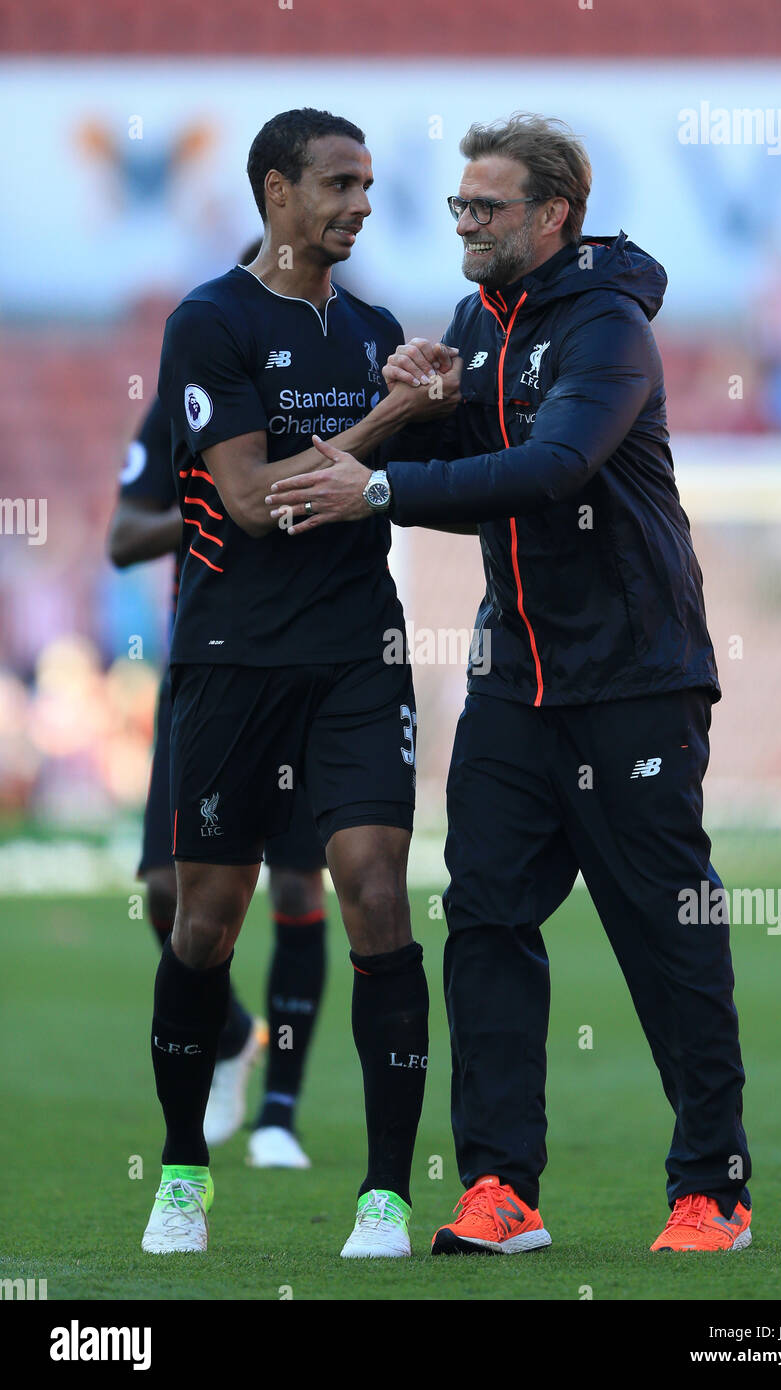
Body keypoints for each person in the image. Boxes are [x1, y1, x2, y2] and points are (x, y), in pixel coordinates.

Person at [271, 113, 753, 1256]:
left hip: (631, 675)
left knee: (662, 931)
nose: (462, 225)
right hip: (513, 682)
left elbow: (552, 470)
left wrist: (379, 492)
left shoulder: (607, 331)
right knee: (483, 919)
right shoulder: (472, 328)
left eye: (483, 209)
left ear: (550, 216)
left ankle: (711, 1192)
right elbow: (445, 463)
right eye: (456, 208)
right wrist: (402, 410)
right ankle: (500, 1187)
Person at [141, 107, 461, 1257]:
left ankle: (385, 1192)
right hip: (233, 661)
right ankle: (183, 1171)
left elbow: (422, 473)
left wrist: (450, 393)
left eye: (369, 185)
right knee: (205, 923)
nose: (360, 204)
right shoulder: (210, 321)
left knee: (375, 887)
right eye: (337, 183)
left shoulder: (374, 326)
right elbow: (244, 500)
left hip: (358, 660)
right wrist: (393, 411)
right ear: (275, 192)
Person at [107, 286, 328, 1170]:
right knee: (169, 891)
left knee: (298, 885)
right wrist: (215, 500)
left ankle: (278, 1114)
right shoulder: (187, 388)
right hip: (209, 665)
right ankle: (237, 1032)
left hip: (312, 661)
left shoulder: (331, 387)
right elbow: (123, 536)